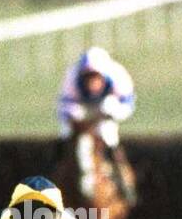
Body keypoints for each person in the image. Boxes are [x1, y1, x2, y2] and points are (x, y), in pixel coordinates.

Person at [55, 46, 137, 203]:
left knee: (109, 135)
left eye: (95, 76)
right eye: (88, 77)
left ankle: (123, 182)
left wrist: (111, 112)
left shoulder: (118, 76)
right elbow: (64, 107)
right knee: (65, 135)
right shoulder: (72, 77)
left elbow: (128, 106)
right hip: (80, 110)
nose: (92, 82)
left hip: (106, 109)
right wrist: (77, 118)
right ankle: (55, 173)